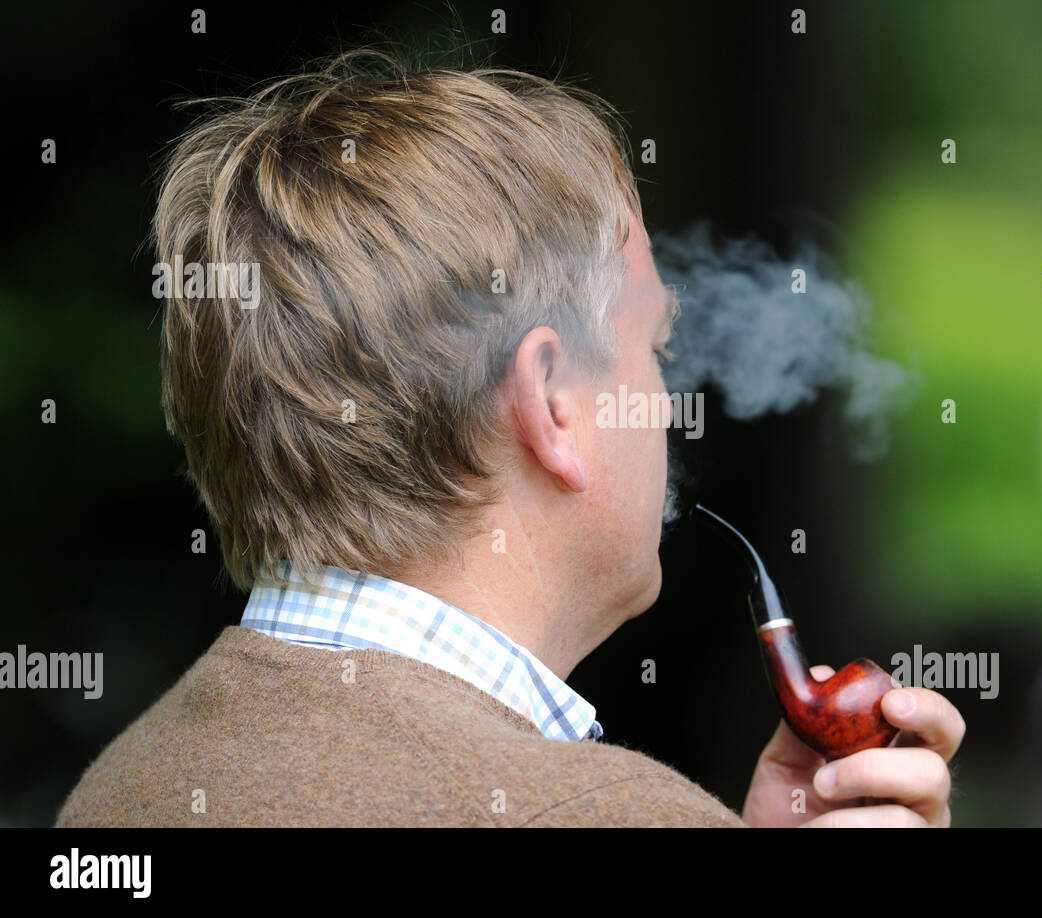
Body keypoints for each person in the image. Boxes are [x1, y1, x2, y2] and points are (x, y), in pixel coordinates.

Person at [56, 50, 963, 827]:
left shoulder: (118, 791)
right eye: (655, 346)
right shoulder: (602, 818)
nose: (668, 398)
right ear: (553, 402)